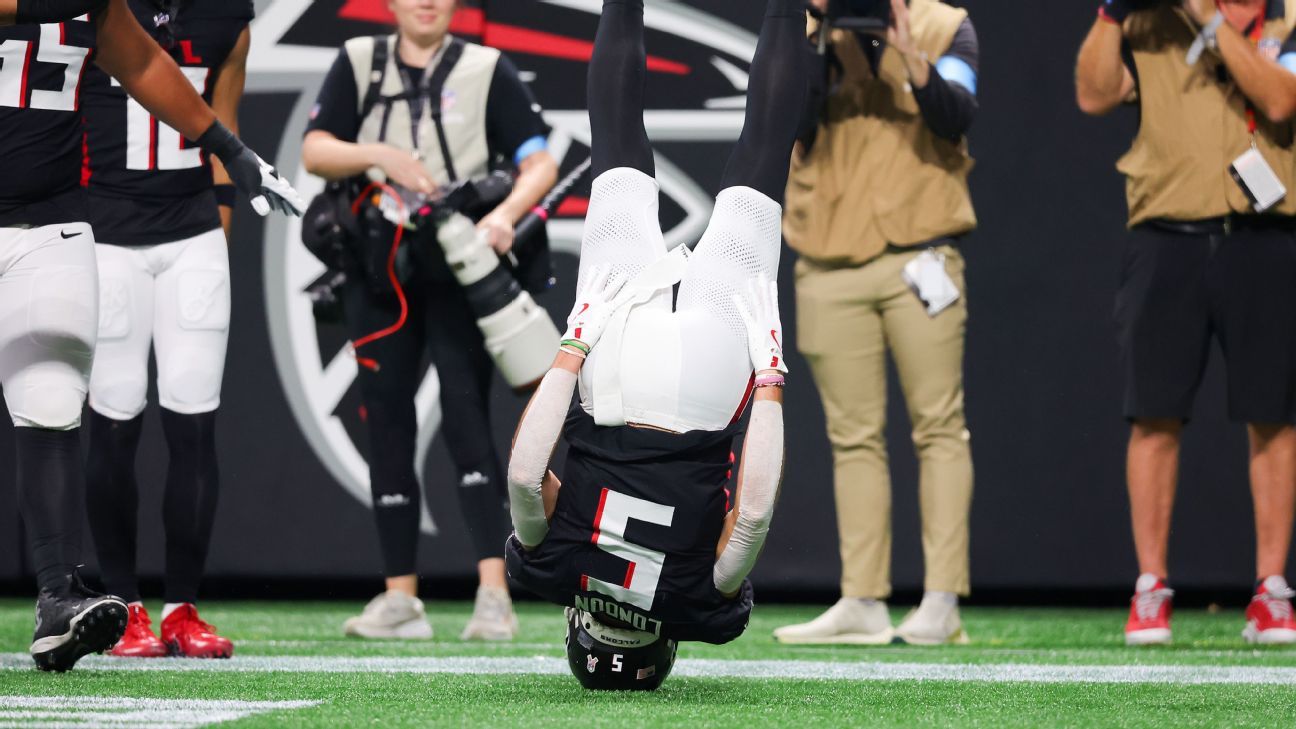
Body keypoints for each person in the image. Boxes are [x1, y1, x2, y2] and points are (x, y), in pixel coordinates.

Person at [504, 0, 803, 690]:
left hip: (706, 386)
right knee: (616, 145)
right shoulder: (551, 571)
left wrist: (770, 380)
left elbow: (751, 514)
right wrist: (573, 344)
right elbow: (525, 474)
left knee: (761, 155)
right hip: (612, 377)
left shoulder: (700, 606)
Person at [0, 0, 302, 672]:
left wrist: (231, 150)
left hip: (52, 218)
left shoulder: (134, 10)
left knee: (51, 399)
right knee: (104, 412)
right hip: (97, 217)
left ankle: (58, 601)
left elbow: (138, 60)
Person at [300, 0, 558, 641]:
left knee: (468, 418)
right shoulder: (359, 61)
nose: (427, 2)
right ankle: (399, 598)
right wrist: (378, 154)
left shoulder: (485, 66)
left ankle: (493, 592)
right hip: (378, 270)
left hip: (456, 272)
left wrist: (504, 216)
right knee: (385, 418)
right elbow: (314, 150)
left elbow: (541, 163)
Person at [1077, 0, 1296, 646]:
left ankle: (1272, 589)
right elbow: (1093, 93)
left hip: (1266, 234)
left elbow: (1281, 100)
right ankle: (1151, 586)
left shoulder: (1286, 15)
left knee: (1274, 414)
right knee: (1153, 413)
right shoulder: (1147, 19)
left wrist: (1207, 20)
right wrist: (1113, 11)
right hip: (1165, 233)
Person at [772, 0, 979, 646]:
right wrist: (816, 27)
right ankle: (862, 597)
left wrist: (903, 44)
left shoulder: (947, 24)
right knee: (852, 437)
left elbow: (956, 115)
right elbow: (792, 124)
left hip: (921, 253)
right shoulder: (801, 28)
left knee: (938, 425)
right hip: (828, 259)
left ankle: (941, 599)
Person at [79, 0, 256, 660]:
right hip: (107, 234)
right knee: (115, 418)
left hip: (191, 235)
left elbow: (224, 126)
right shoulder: (91, 9)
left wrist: (218, 234)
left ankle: (183, 608)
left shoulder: (226, 16)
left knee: (194, 422)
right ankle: (125, 608)